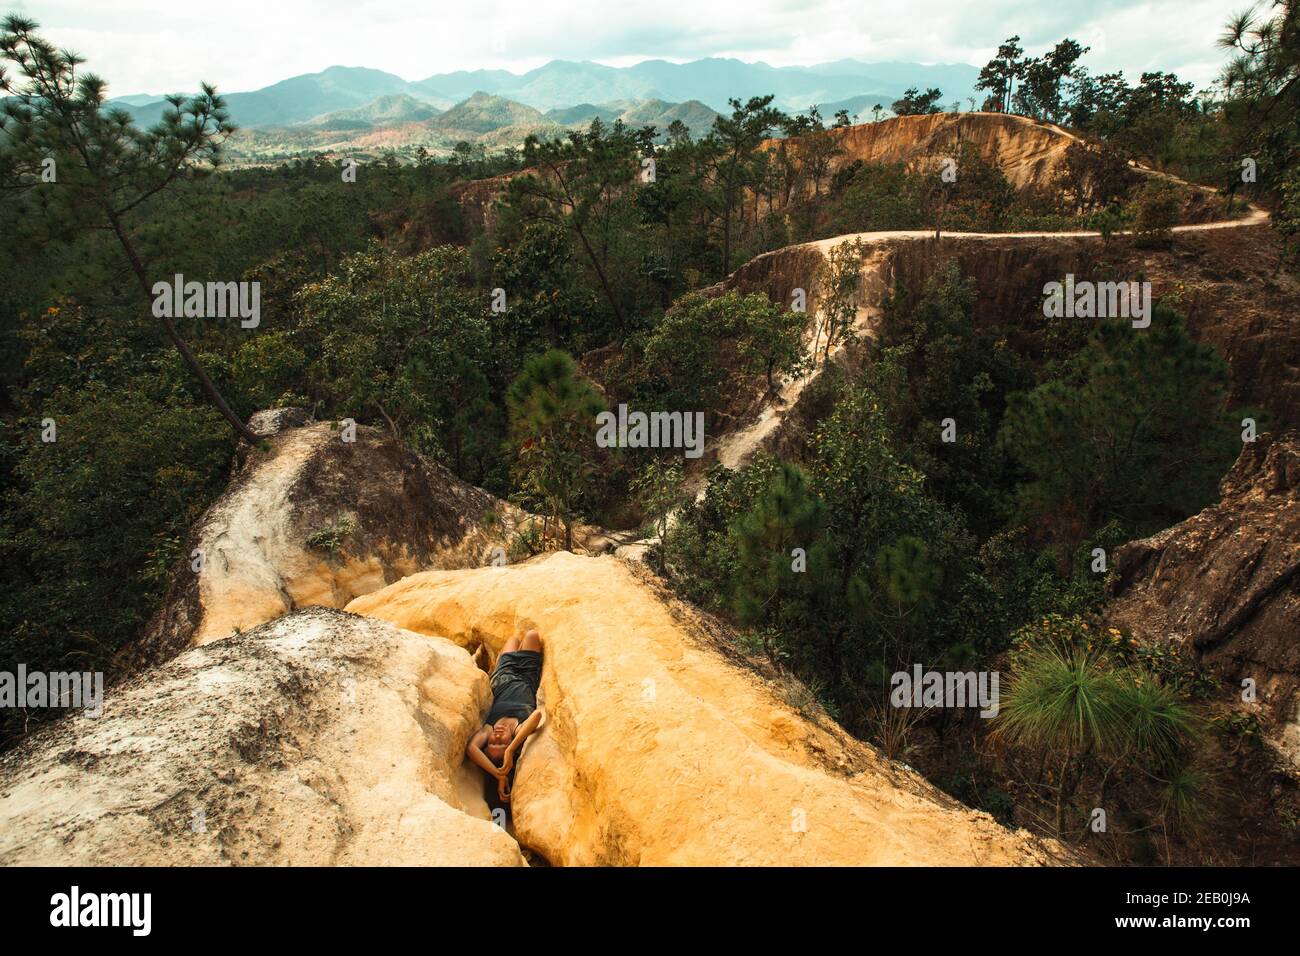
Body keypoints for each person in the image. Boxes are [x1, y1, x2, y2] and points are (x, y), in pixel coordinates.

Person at [466, 629, 545, 803]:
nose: (497, 736)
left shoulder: (489, 728)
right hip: (527, 672)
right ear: (511, 742)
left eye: (492, 742)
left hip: (503, 672)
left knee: (512, 639)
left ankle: (491, 660)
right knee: (531, 634)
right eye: (501, 742)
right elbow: (538, 715)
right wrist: (510, 750)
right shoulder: (518, 729)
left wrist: (497, 774)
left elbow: (472, 748)